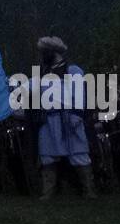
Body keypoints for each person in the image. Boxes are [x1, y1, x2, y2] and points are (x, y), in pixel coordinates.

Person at [30, 37, 95, 199]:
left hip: (68, 118)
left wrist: (76, 116)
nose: (42, 55)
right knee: (47, 155)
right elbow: (29, 85)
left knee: (78, 154)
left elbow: (80, 96)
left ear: (54, 52)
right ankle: (48, 192)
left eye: (44, 52)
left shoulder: (72, 71)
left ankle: (89, 190)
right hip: (49, 119)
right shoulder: (43, 72)